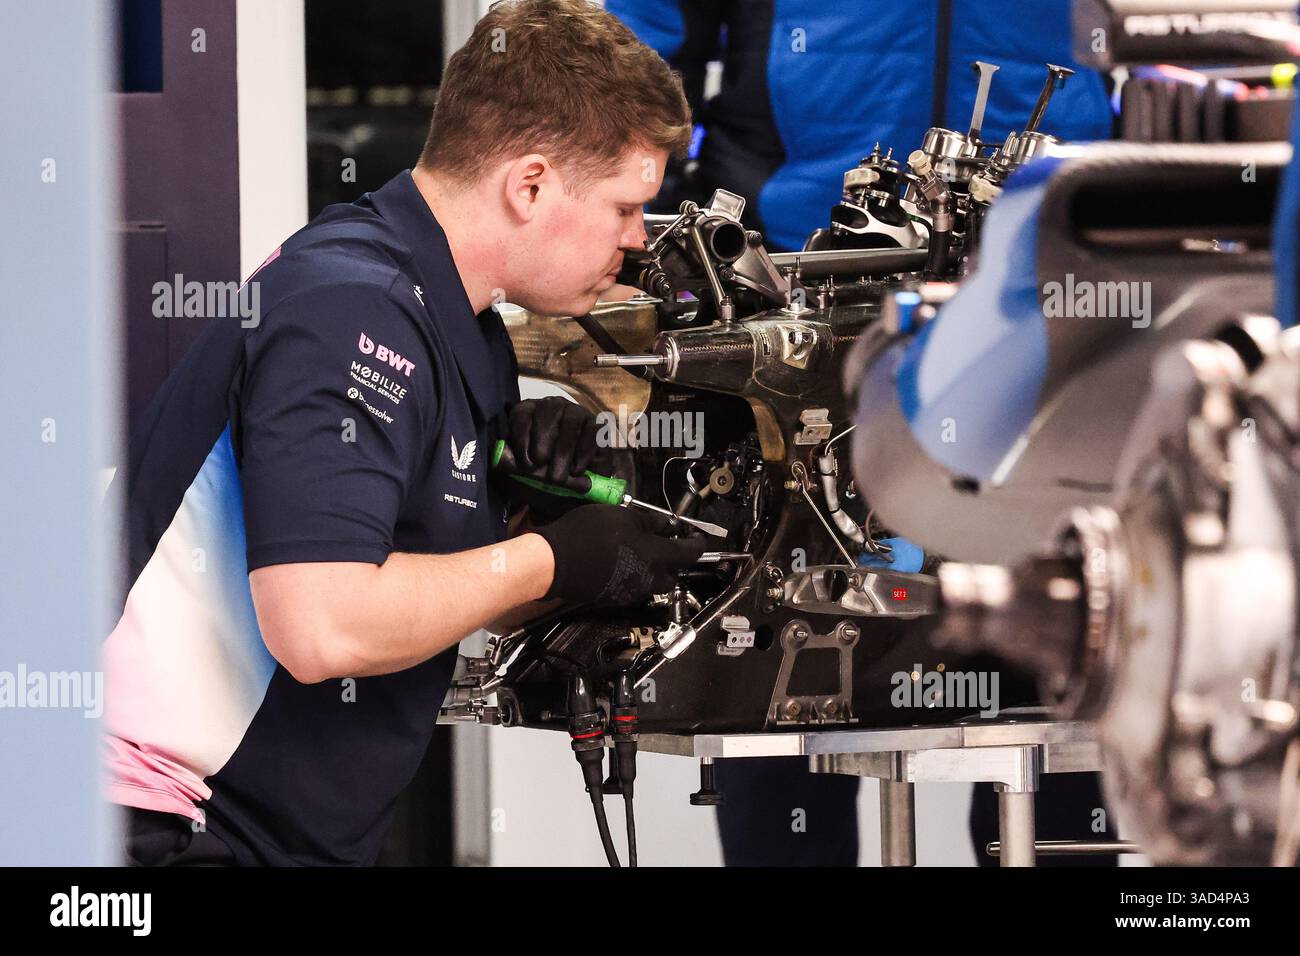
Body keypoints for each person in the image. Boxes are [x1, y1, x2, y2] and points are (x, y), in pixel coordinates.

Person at [106, 0, 703, 866]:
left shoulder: (453, 322)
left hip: (270, 831)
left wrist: (564, 525)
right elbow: (324, 628)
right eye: (623, 207)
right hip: (153, 823)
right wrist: (551, 558)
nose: (637, 239)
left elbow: (431, 600)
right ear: (529, 184)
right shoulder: (351, 308)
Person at [609, 0, 1121, 866]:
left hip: (1055, 284)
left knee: (1070, 644)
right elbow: (629, 45)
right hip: (795, 278)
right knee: (776, 652)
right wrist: (622, 233)